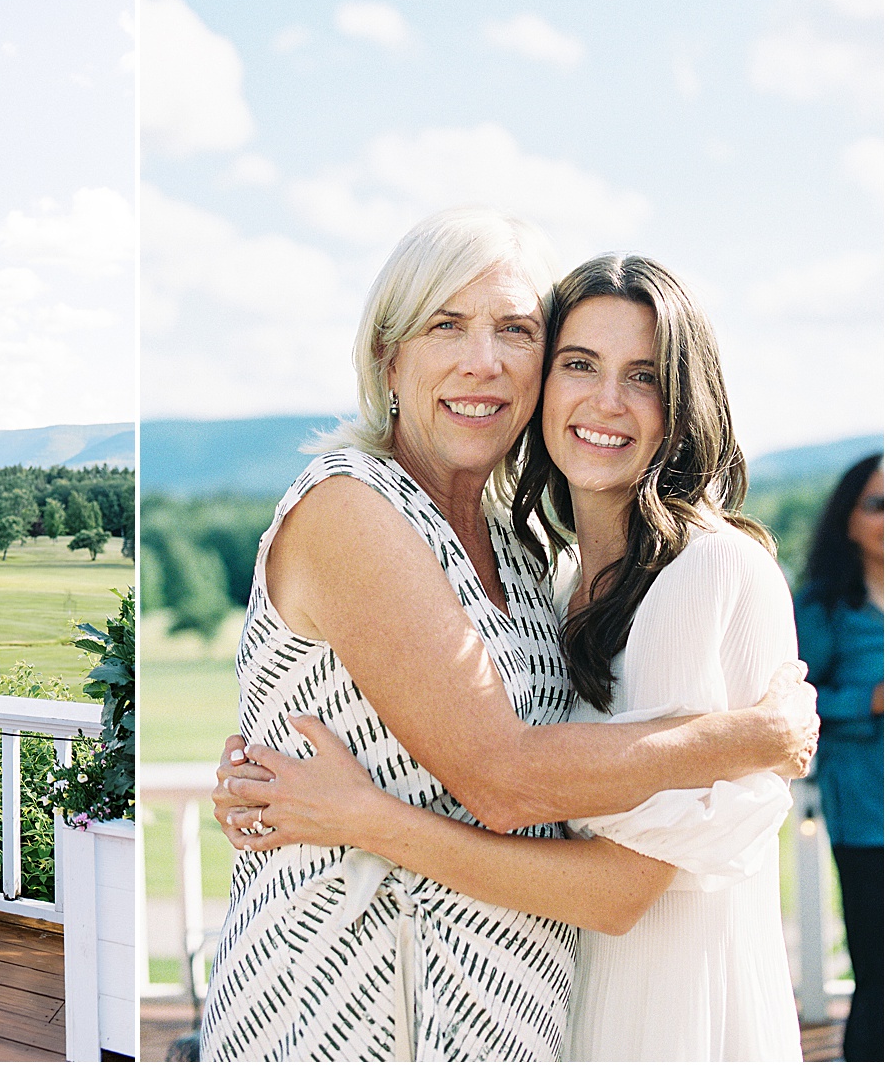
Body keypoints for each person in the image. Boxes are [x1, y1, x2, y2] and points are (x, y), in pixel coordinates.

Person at [195, 211, 818, 1061]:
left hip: (509, 1021)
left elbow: (566, 796)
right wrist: (751, 737)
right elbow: (505, 781)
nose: (481, 361)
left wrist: (364, 809)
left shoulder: (528, 557)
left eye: (516, 331)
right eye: (445, 323)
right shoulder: (351, 506)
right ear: (388, 356)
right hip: (358, 1008)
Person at [795, 453, 883, 1063]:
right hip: (867, 819)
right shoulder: (825, 608)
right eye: (876, 505)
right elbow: (791, 702)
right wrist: (868, 700)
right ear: (847, 520)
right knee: (878, 977)